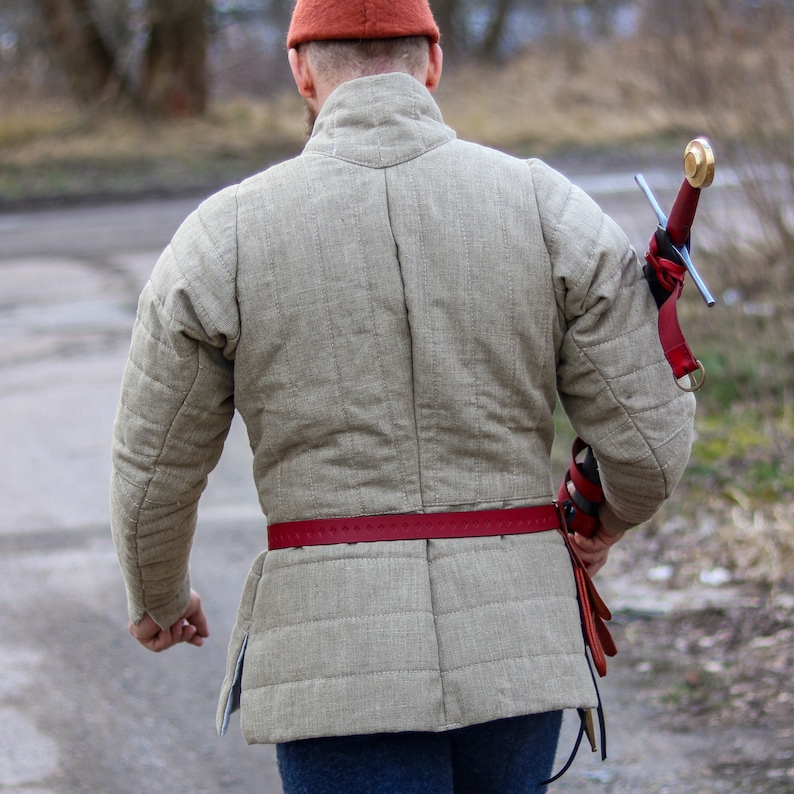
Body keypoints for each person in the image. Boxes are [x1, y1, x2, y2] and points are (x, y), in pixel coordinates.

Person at [110, 0, 696, 790]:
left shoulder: (223, 240)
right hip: (515, 641)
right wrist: (605, 522)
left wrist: (160, 596)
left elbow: (152, 471)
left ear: (299, 71)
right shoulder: (548, 209)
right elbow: (649, 447)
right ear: (433, 62)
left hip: (334, 661)